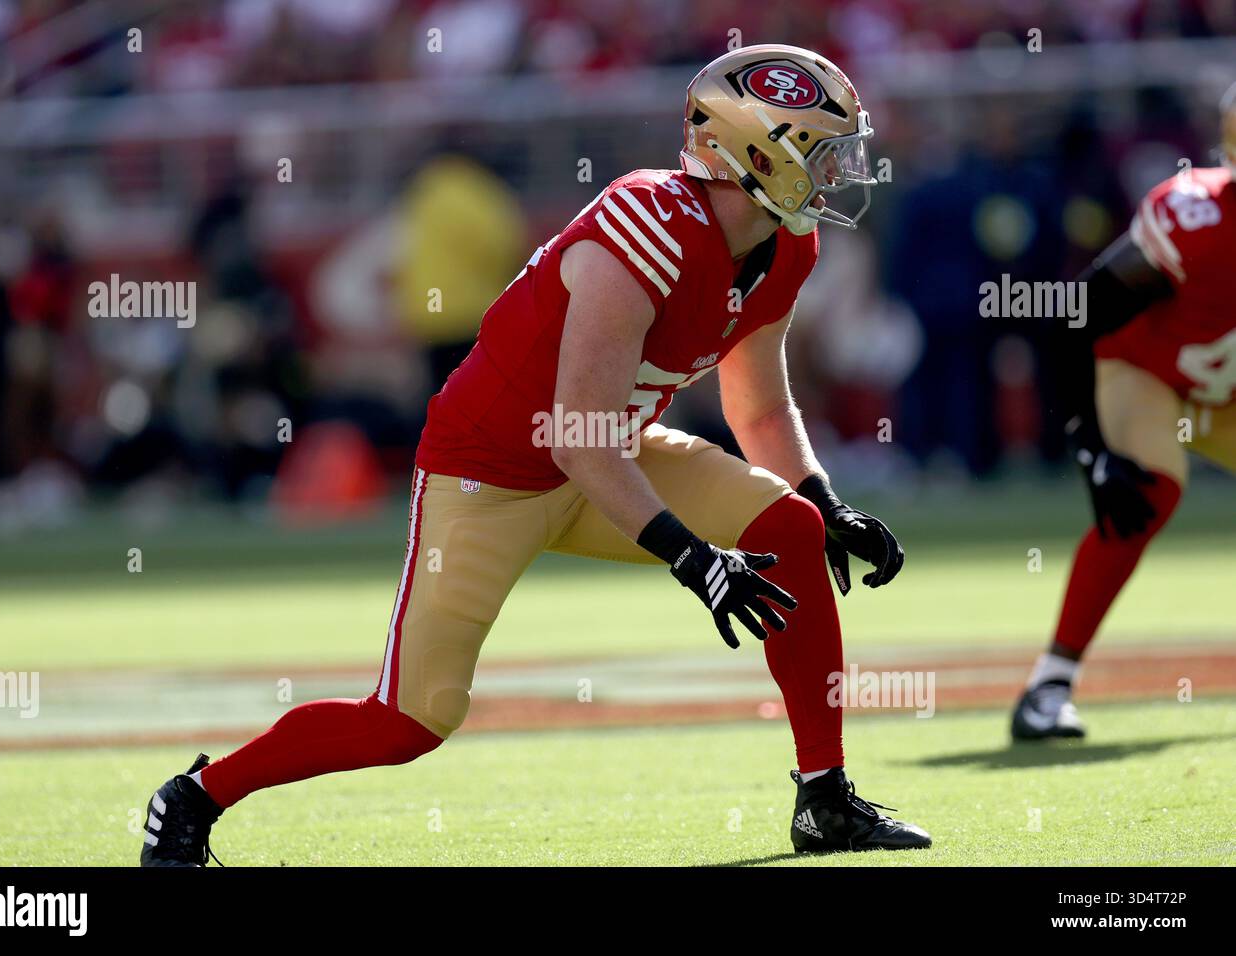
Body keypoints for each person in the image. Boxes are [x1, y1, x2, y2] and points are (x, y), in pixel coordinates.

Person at [140, 45, 930, 865]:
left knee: (793, 531)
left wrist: (823, 498)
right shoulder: (651, 224)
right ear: (756, 154)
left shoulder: (784, 247)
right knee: (410, 718)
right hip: (493, 475)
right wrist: (695, 561)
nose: (840, 170)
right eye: (821, 150)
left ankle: (824, 800)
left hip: (609, 455)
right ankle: (195, 797)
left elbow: (758, 402)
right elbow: (573, 433)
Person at [1011, 83, 1236, 741]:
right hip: (1147, 370)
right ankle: (1049, 684)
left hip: (1224, 380)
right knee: (1147, 491)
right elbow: (1073, 318)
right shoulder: (1198, 225)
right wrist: (1091, 450)